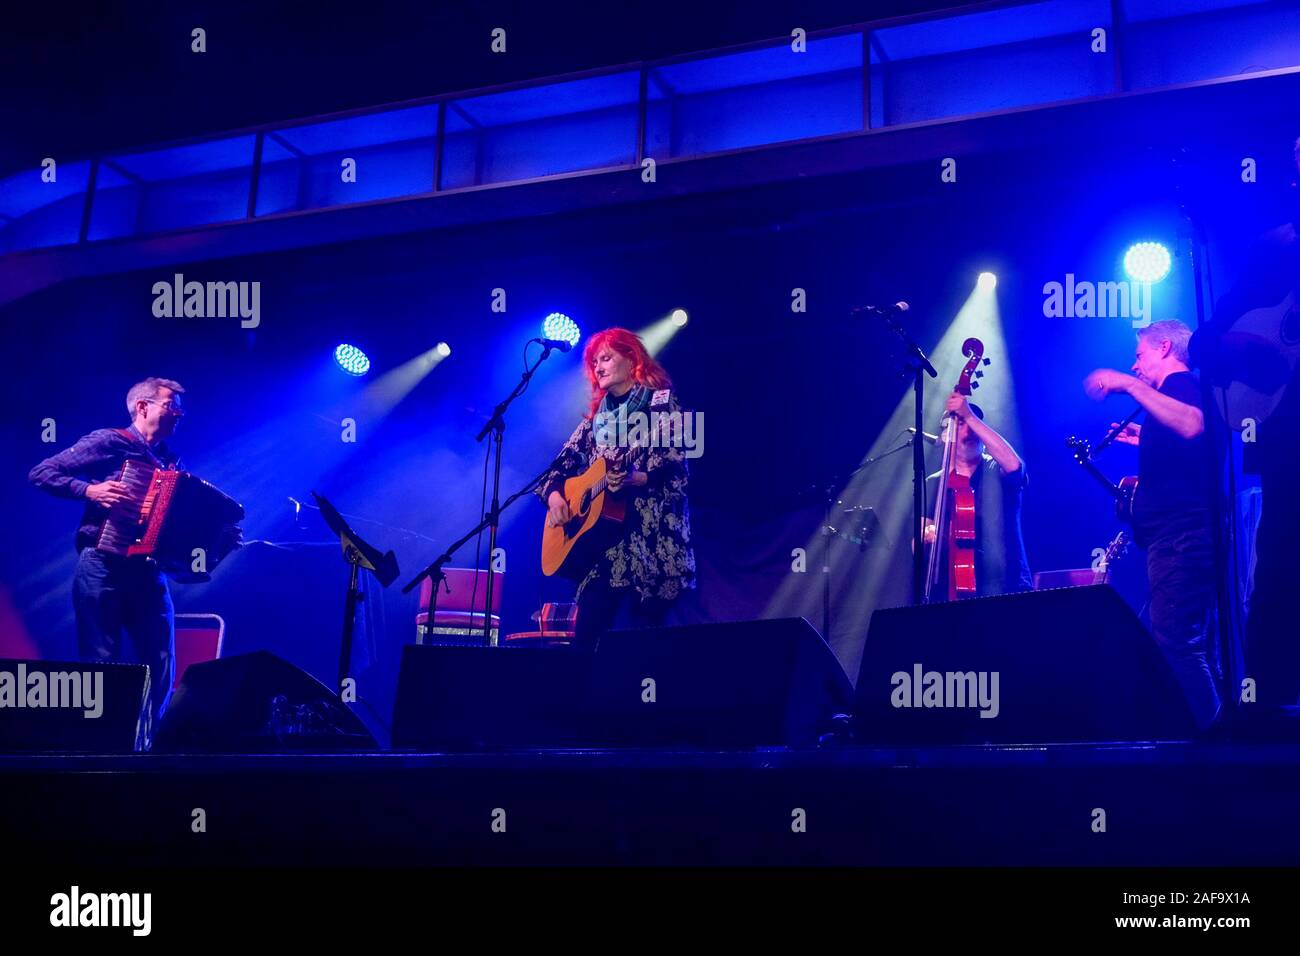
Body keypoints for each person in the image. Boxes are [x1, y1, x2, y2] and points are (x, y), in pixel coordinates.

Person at [28, 377, 237, 746]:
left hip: (147, 572)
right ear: (143, 407)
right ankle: (101, 751)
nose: (179, 414)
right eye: (171, 405)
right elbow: (42, 472)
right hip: (102, 565)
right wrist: (90, 490)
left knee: (160, 665)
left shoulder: (170, 463)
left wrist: (217, 544)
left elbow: (180, 546)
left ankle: (149, 752)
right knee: (101, 663)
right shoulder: (111, 442)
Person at [1085, 320, 1222, 729]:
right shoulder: (1170, 398)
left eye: (1140, 354)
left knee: (1177, 642)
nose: (1134, 363)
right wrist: (1144, 435)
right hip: (1173, 539)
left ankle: (1214, 741)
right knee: (1177, 641)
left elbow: (1194, 423)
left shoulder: (1183, 386)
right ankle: (1207, 735)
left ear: (1164, 347)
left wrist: (1129, 385)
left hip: (1183, 538)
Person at [538, 329, 696, 650]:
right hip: (604, 550)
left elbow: (678, 473)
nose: (598, 366)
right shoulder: (595, 420)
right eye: (595, 361)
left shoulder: (661, 406)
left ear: (632, 360)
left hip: (651, 547)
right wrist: (556, 498)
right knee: (586, 645)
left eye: (607, 358)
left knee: (643, 650)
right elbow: (554, 472)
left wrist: (639, 478)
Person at [923, 392, 1032, 598]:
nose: (970, 431)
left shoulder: (995, 468)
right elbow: (917, 540)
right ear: (947, 436)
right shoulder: (934, 482)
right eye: (962, 424)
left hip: (1008, 585)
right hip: (953, 590)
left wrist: (970, 416)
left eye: (973, 424)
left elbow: (1015, 466)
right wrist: (925, 535)